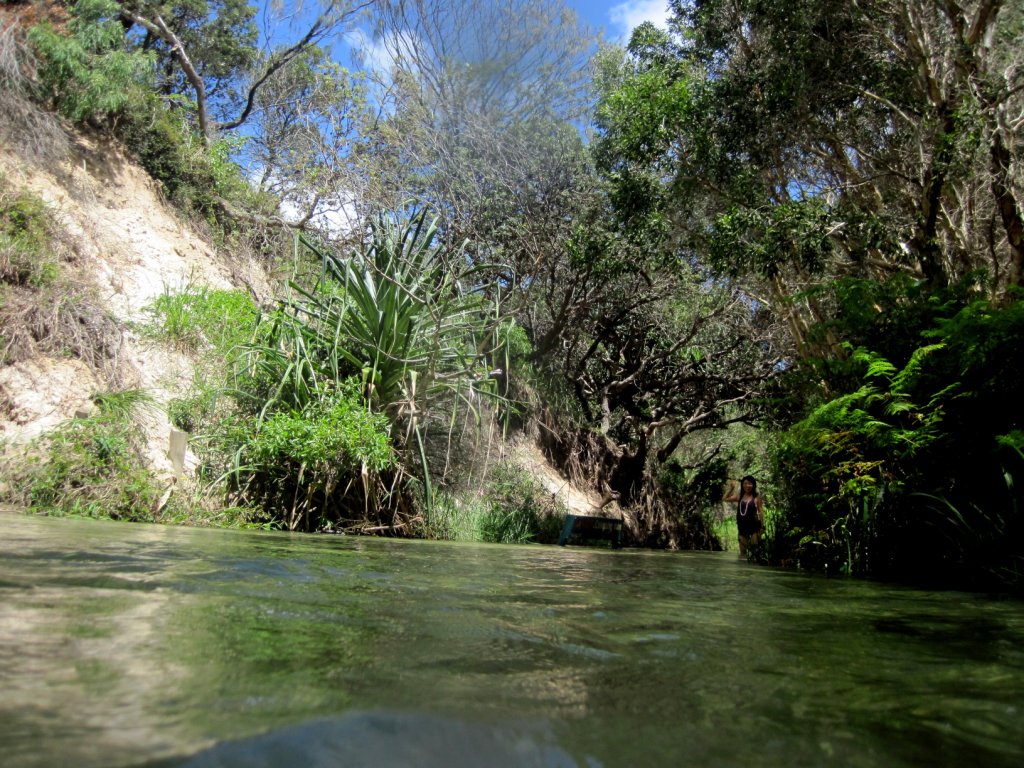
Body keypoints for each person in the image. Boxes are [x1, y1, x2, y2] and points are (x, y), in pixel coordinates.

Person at [723, 475, 764, 557]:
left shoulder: (756, 498)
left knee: (755, 552)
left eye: (750, 483)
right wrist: (731, 489)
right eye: (745, 483)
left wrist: (762, 527)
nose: (747, 486)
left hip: (754, 527)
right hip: (742, 527)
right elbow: (724, 498)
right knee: (742, 553)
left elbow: (761, 512)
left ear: (753, 485)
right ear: (742, 485)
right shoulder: (739, 496)